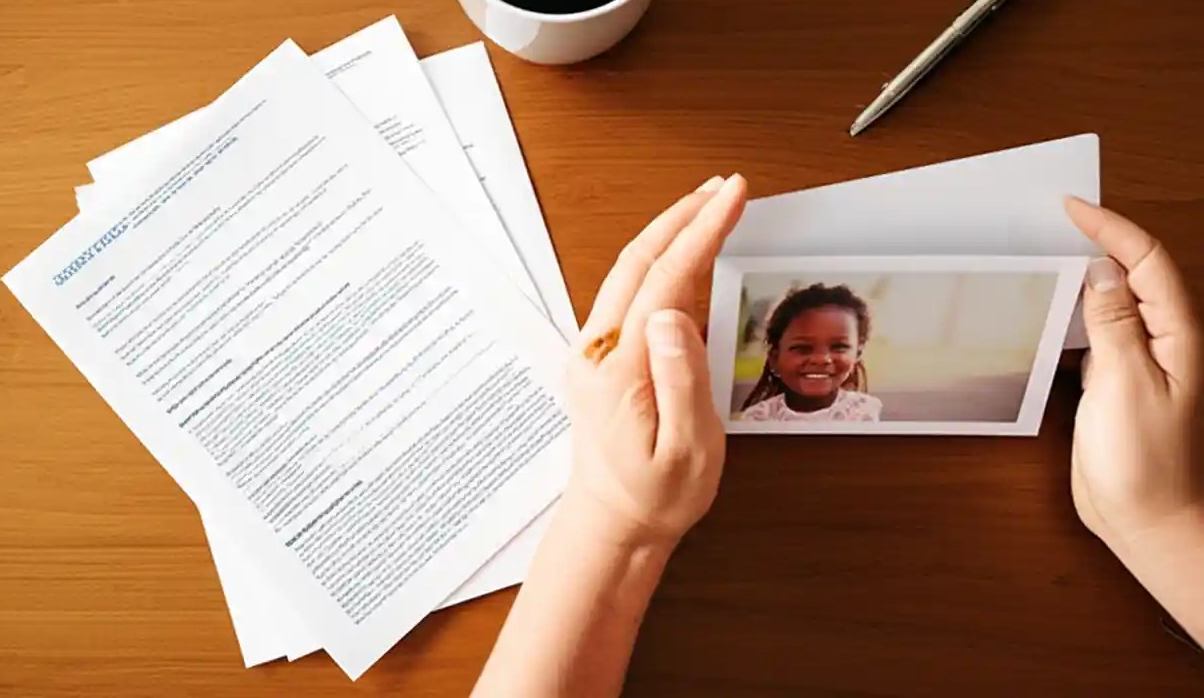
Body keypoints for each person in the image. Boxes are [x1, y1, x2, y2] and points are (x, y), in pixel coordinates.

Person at [471, 179, 1203, 697]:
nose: (821, 362)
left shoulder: (866, 409)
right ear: (770, 354)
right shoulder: (755, 411)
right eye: (801, 348)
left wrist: (612, 516)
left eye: (839, 349)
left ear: (860, 355)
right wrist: (1160, 521)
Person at [738, 282, 882, 422]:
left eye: (839, 347)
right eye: (802, 348)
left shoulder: (863, 412)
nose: (821, 359)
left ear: (857, 354)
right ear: (775, 359)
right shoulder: (757, 419)